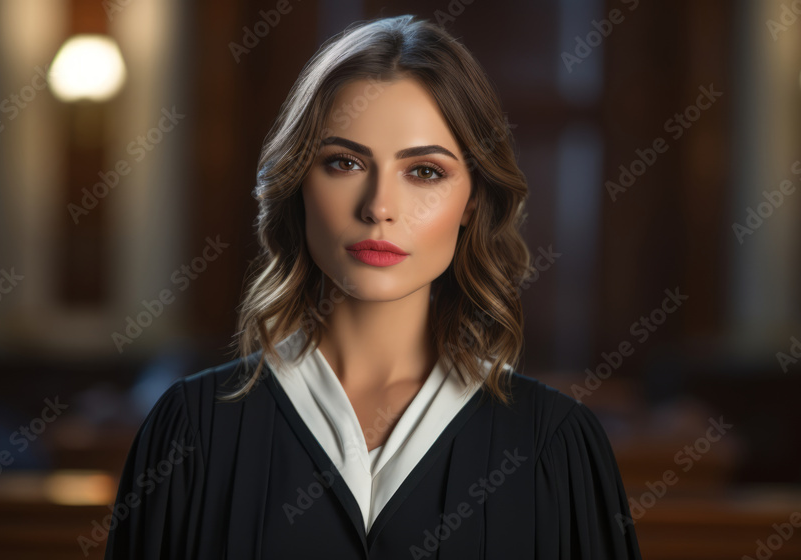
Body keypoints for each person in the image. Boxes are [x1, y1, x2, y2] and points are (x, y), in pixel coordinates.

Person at [105, 14, 642, 559]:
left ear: (473, 199)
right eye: (344, 162)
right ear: (297, 184)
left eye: (425, 171)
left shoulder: (557, 446)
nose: (379, 207)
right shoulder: (192, 431)